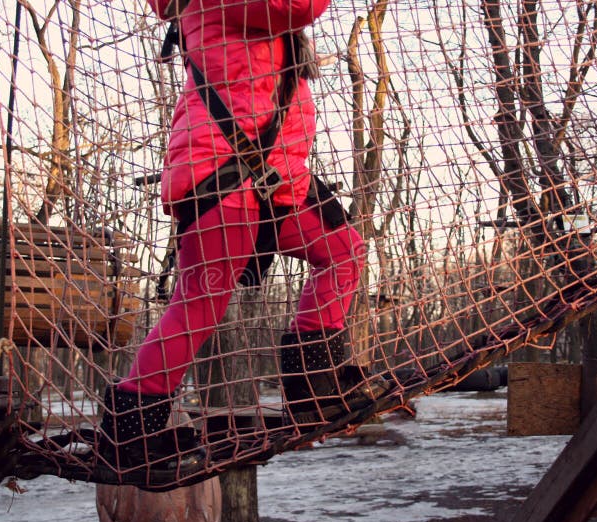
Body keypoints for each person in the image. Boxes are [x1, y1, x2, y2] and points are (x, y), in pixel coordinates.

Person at [99, 0, 388, 471]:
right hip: (222, 174)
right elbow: (301, 6)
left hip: (275, 176)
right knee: (200, 302)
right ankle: (129, 428)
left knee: (342, 250)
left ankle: (314, 384)